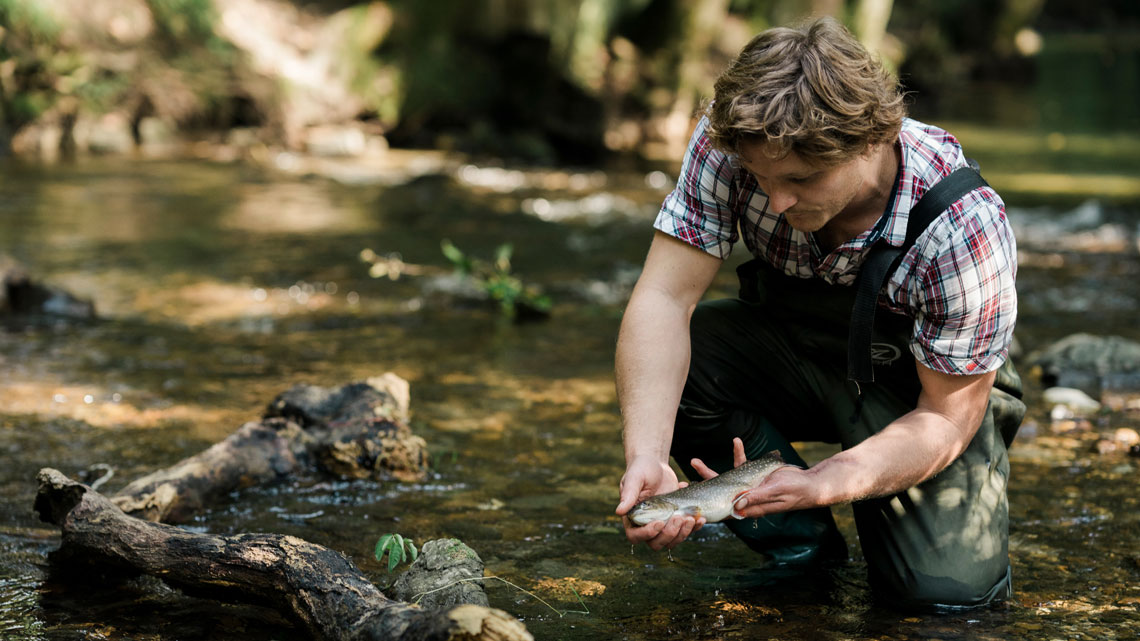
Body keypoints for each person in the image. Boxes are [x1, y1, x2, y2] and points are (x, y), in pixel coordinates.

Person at [613, 16, 1026, 611]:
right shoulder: (734, 140)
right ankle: (800, 550)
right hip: (794, 354)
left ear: (872, 141)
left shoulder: (964, 226)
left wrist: (824, 482)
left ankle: (836, 520)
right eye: (760, 178)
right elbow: (663, 299)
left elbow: (945, 417)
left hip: (919, 391)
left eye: (801, 179)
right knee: (687, 359)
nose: (776, 200)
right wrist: (647, 455)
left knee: (945, 597)